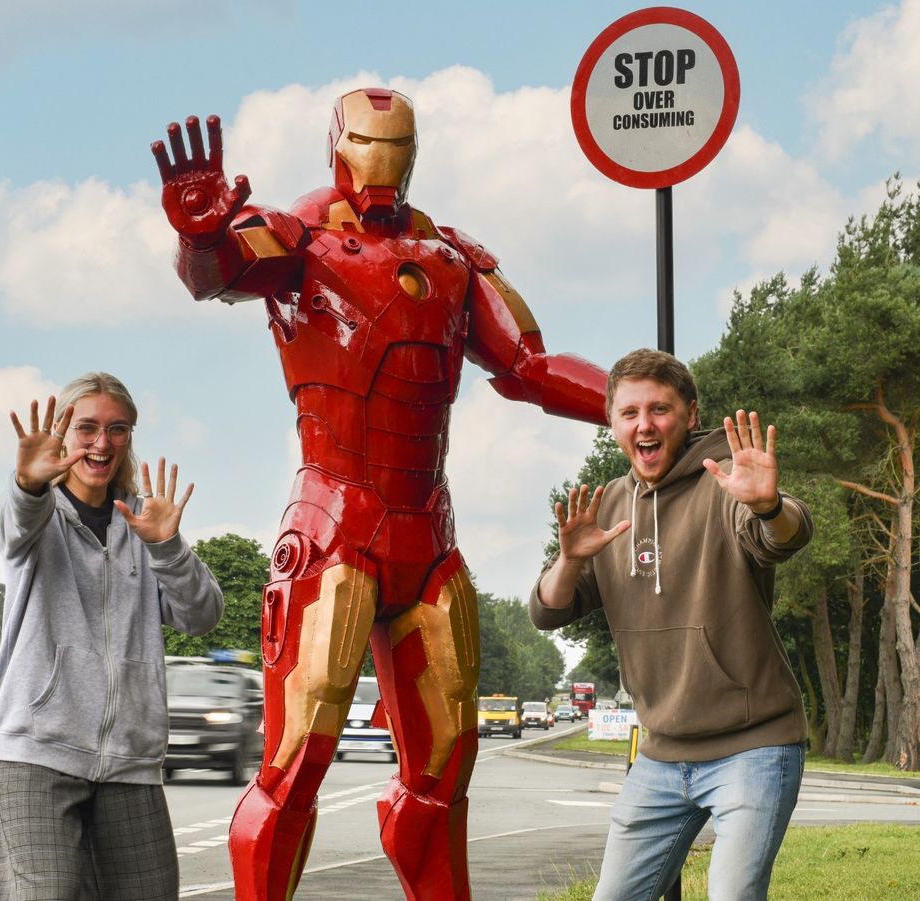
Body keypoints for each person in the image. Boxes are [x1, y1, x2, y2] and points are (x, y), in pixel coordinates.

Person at [151, 89, 609, 900]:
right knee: (296, 763)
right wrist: (199, 234)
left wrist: (636, 404)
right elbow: (218, 274)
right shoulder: (301, 237)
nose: (381, 161)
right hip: (335, 529)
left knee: (445, 764)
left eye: (396, 145)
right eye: (367, 141)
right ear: (340, 144)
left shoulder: (453, 255)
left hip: (429, 536)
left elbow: (529, 368)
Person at [529, 348, 813, 901]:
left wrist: (769, 504)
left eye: (659, 409)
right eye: (629, 413)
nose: (645, 424)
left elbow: (784, 536)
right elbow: (548, 611)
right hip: (660, 758)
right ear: (612, 423)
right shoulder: (609, 505)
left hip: (753, 748)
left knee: (731, 895)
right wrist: (568, 560)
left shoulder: (724, 482)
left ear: (689, 413)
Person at [0, 371, 224, 901]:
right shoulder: (36, 514)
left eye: (118, 429)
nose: (102, 442)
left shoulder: (142, 523)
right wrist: (28, 484)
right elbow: (13, 524)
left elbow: (201, 615)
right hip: (37, 748)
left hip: (129, 758)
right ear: (64, 436)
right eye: (87, 427)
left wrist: (169, 548)